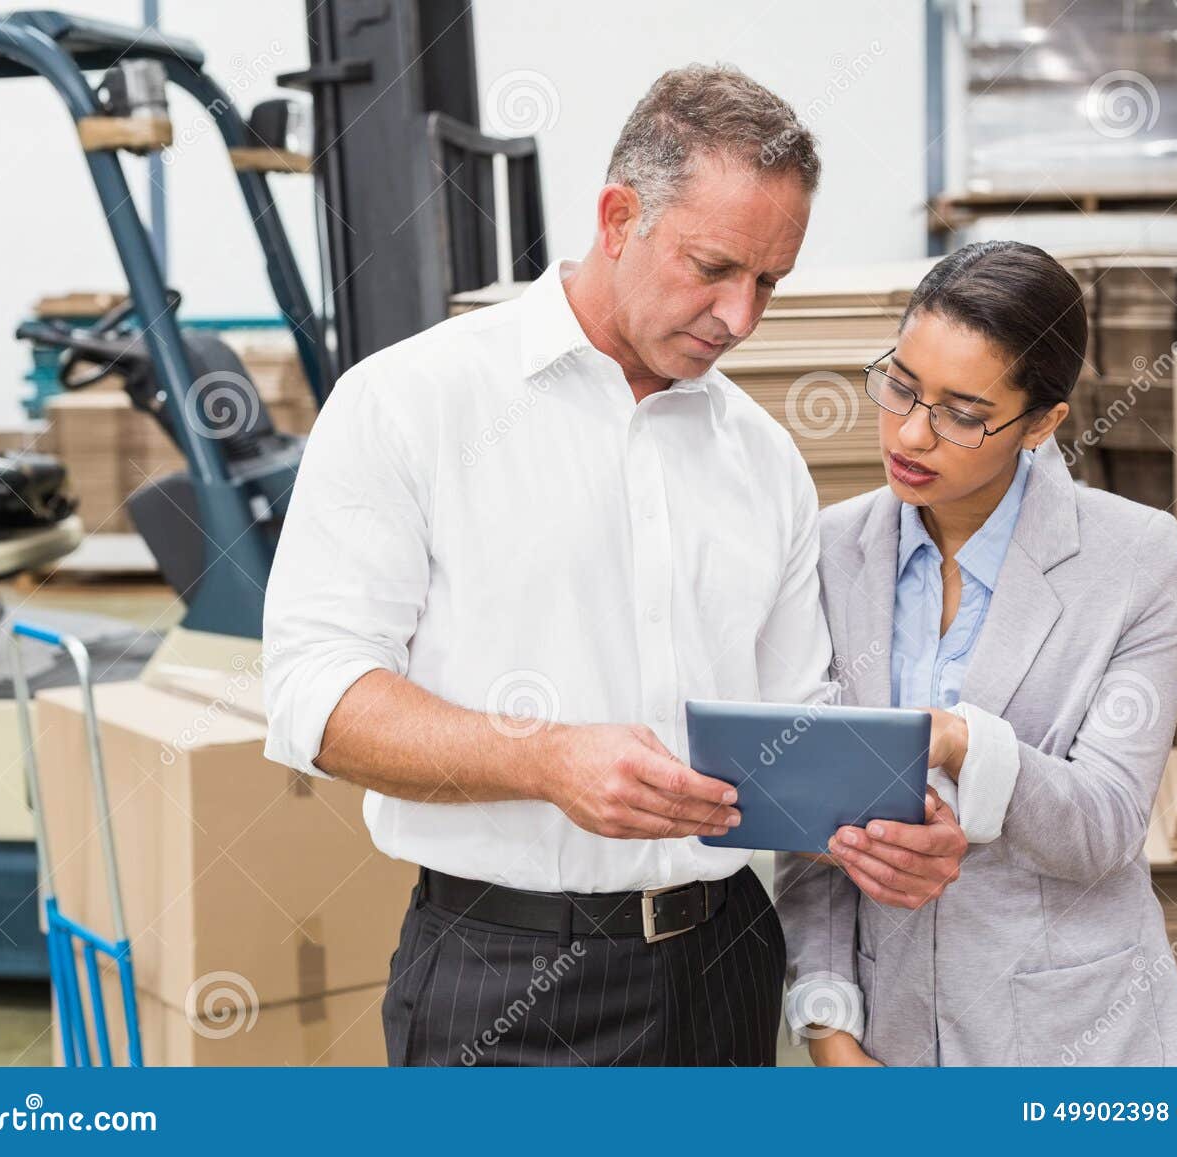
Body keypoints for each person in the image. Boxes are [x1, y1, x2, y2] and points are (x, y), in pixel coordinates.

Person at [260, 64, 967, 1067]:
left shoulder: (761, 459)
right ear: (617, 215)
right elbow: (312, 697)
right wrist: (543, 760)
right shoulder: (411, 404)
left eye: (769, 281)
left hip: (724, 958)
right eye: (713, 266)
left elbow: (797, 712)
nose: (740, 317)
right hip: (504, 973)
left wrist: (884, 820)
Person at [776, 241, 1177, 1067]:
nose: (911, 432)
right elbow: (812, 833)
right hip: (894, 1041)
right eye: (901, 384)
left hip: (1080, 1040)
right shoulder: (833, 553)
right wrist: (828, 1024)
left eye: (963, 413)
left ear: (1043, 421)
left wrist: (964, 740)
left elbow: (1107, 827)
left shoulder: (1132, 558)